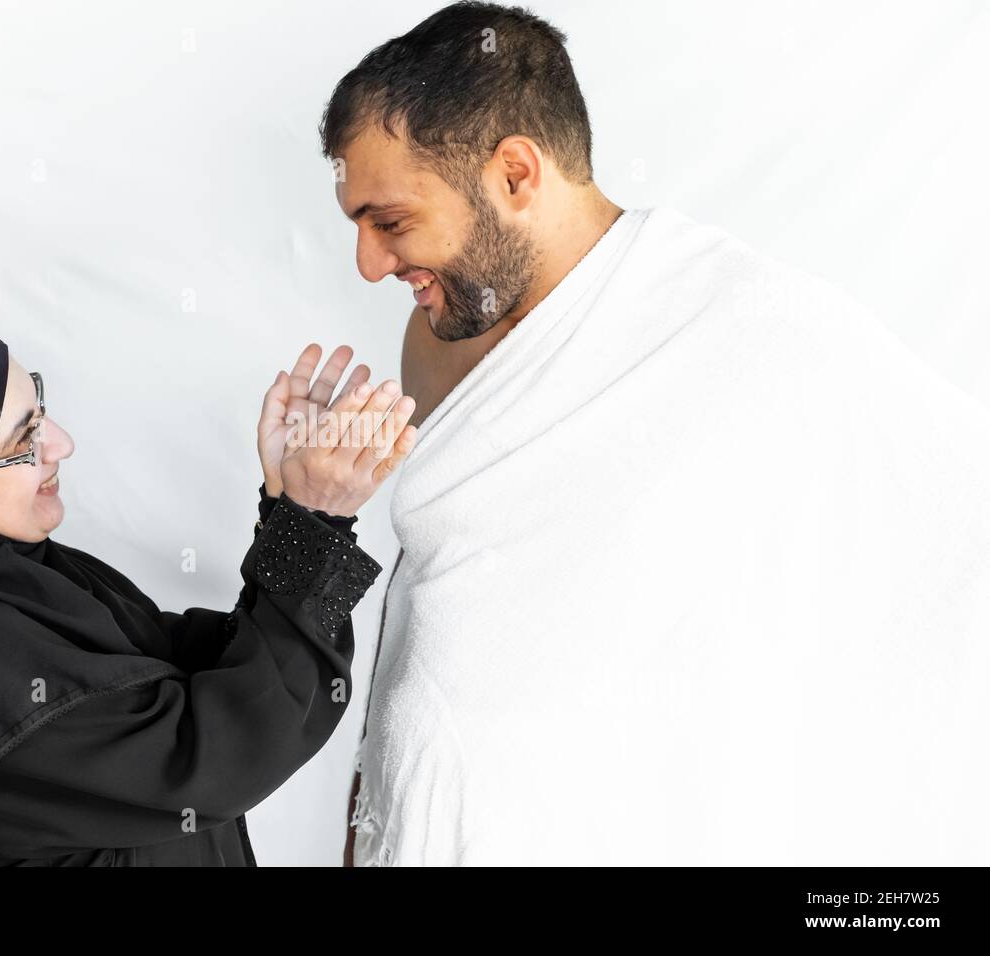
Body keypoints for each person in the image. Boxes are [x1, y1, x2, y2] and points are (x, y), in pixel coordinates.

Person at [320, 2, 990, 865]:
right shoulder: (437, 340)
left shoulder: (757, 324)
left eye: (391, 222)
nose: (370, 265)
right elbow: (425, 611)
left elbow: (950, 506)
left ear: (516, 175)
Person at [0, 311, 417, 866]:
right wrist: (314, 519)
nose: (62, 445)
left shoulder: (14, 588)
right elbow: (230, 745)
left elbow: (223, 666)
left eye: (41, 413)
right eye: (23, 440)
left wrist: (289, 506)